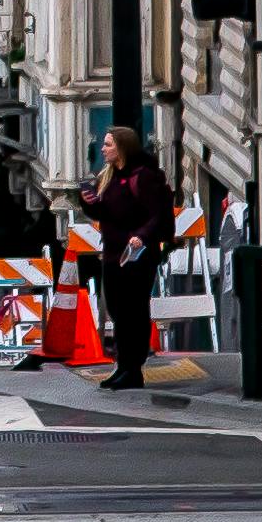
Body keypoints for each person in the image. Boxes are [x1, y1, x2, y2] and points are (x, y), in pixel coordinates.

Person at [92, 123, 176, 388]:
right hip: (113, 253)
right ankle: (123, 365)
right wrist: (87, 200)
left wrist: (142, 234)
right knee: (118, 309)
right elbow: (103, 214)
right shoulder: (109, 176)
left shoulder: (144, 176)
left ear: (122, 148)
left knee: (133, 309)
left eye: (108, 144)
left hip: (137, 254)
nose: (103, 149)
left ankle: (133, 368)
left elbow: (158, 213)